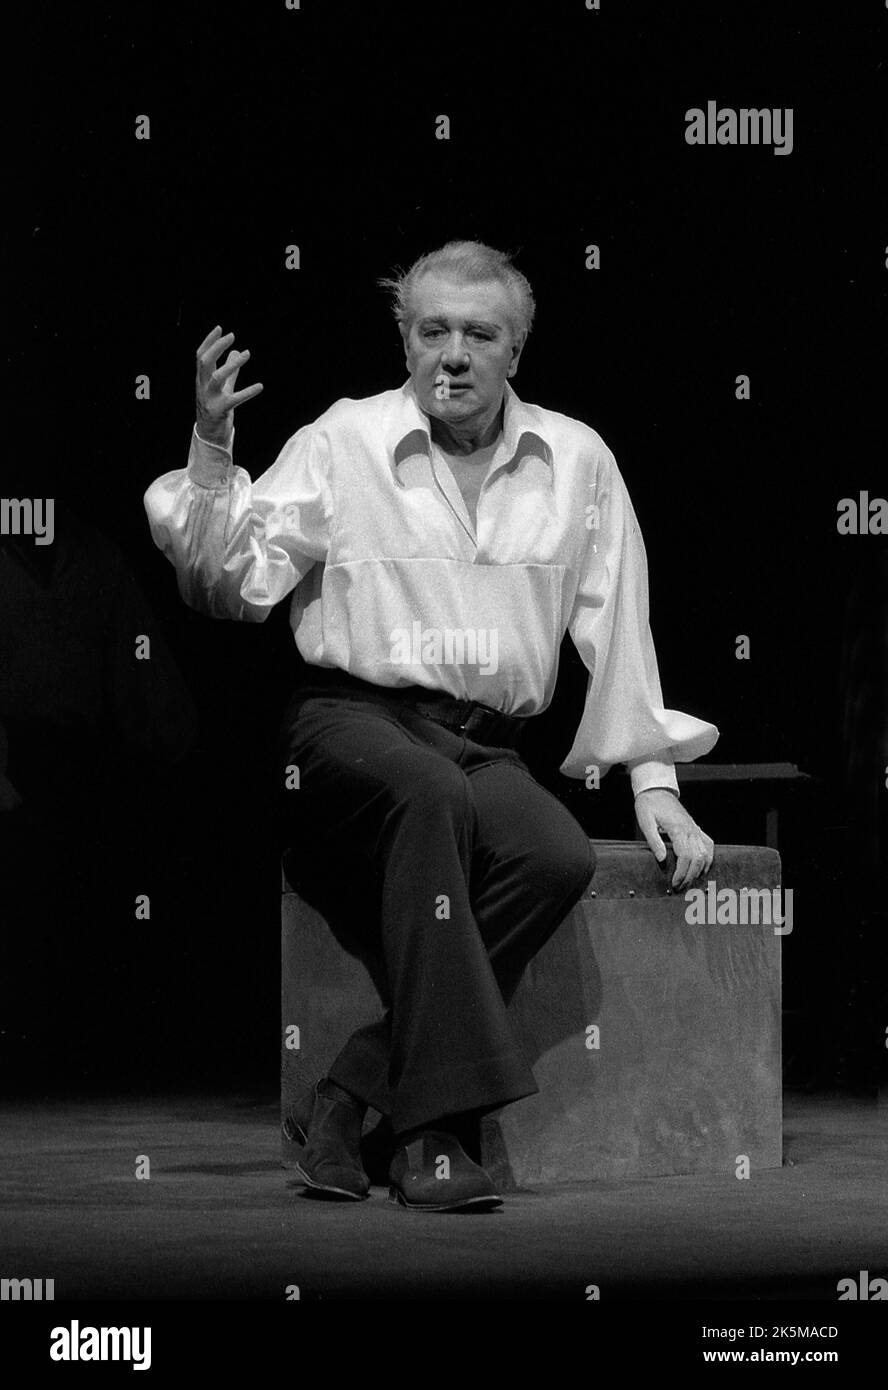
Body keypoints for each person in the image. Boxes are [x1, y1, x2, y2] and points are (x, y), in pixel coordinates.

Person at [144, 240, 718, 1212]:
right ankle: (433, 1133)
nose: (453, 353)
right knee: (429, 792)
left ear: (516, 351)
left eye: (478, 333)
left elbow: (618, 621)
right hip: (348, 721)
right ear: (405, 340)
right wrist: (211, 453)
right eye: (431, 330)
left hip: (483, 736)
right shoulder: (346, 442)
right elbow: (229, 587)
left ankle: (350, 1090)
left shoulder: (574, 460)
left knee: (552, 854)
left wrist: (654, 782)